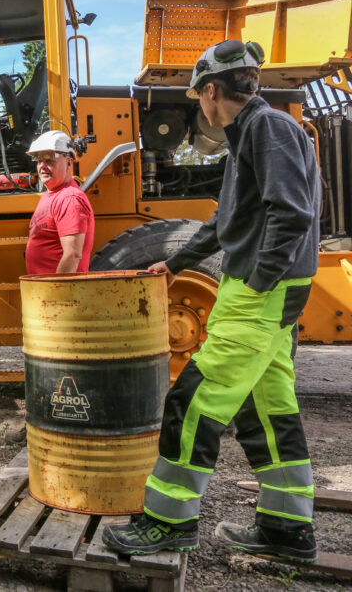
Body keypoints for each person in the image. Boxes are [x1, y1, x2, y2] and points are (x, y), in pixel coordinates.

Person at [103, 40, 321, 563]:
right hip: (264, 289)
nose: (199, 106)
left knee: (194, 400)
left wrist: (258, 280)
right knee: (267, 410)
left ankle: (168, 522)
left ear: (210, 91)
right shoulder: (253, 135)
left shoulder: (267, 130)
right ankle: (288, 530)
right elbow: (226, 222)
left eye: (198, 96)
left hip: (257, 291)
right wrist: (175, 262)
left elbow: (291, 215)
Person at [23, 131, 94, 275]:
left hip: (60, 294)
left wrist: (55, 291)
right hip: (45, 290)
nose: (42, 166)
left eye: (49, 159)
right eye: (38, 160)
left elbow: (72, 255)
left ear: (68, 162)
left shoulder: (70, 199)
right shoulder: (52, 194)